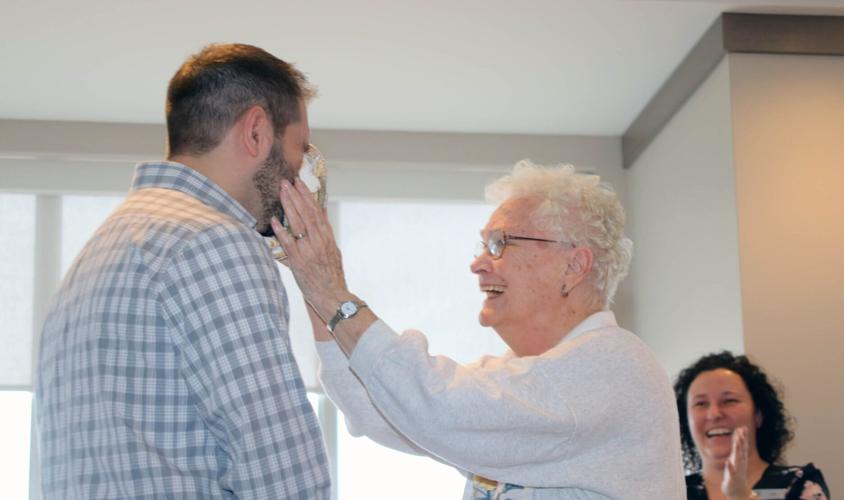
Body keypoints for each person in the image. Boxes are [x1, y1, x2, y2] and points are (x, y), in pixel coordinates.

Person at [272, 161, 686, 499]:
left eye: (501, 244)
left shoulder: (614, 364)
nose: (479, 264)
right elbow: (377, 410)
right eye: (483, 246)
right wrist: (314, 286)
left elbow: (434, 407)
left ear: (574, 266)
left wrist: (331, 292)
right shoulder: (513, 376)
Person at [36, 43, 331, 498]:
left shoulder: (96, 255)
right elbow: (282, 474)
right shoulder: (214, 241)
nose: (298, 176)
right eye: (299, 151)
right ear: (256, 132)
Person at [674, 351, 830, 500]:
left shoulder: (801, 483)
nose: (714, 413)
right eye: (701, 403)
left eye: (729, 401)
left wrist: (741, 496)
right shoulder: (675, 491)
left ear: (758, 415)